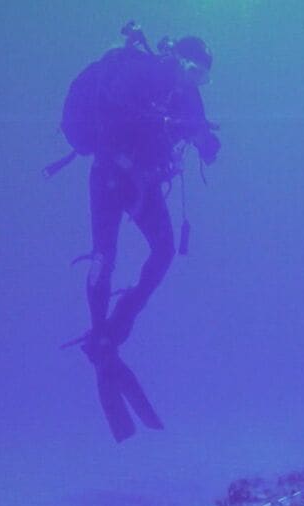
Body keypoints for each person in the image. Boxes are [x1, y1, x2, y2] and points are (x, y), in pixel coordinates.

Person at [57, 24, 221, 441]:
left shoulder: (187, 95)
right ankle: (102, 336)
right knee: (104, 257)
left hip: (144, 182)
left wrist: (205, 141)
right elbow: (112, 108)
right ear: (174, 60)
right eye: (190, 69)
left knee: (164, 251)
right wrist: (145, 127)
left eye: (201, 76)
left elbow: (205, 140)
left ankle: (113, 331)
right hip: (110, 178)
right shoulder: (141, 73)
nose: (192, 80)